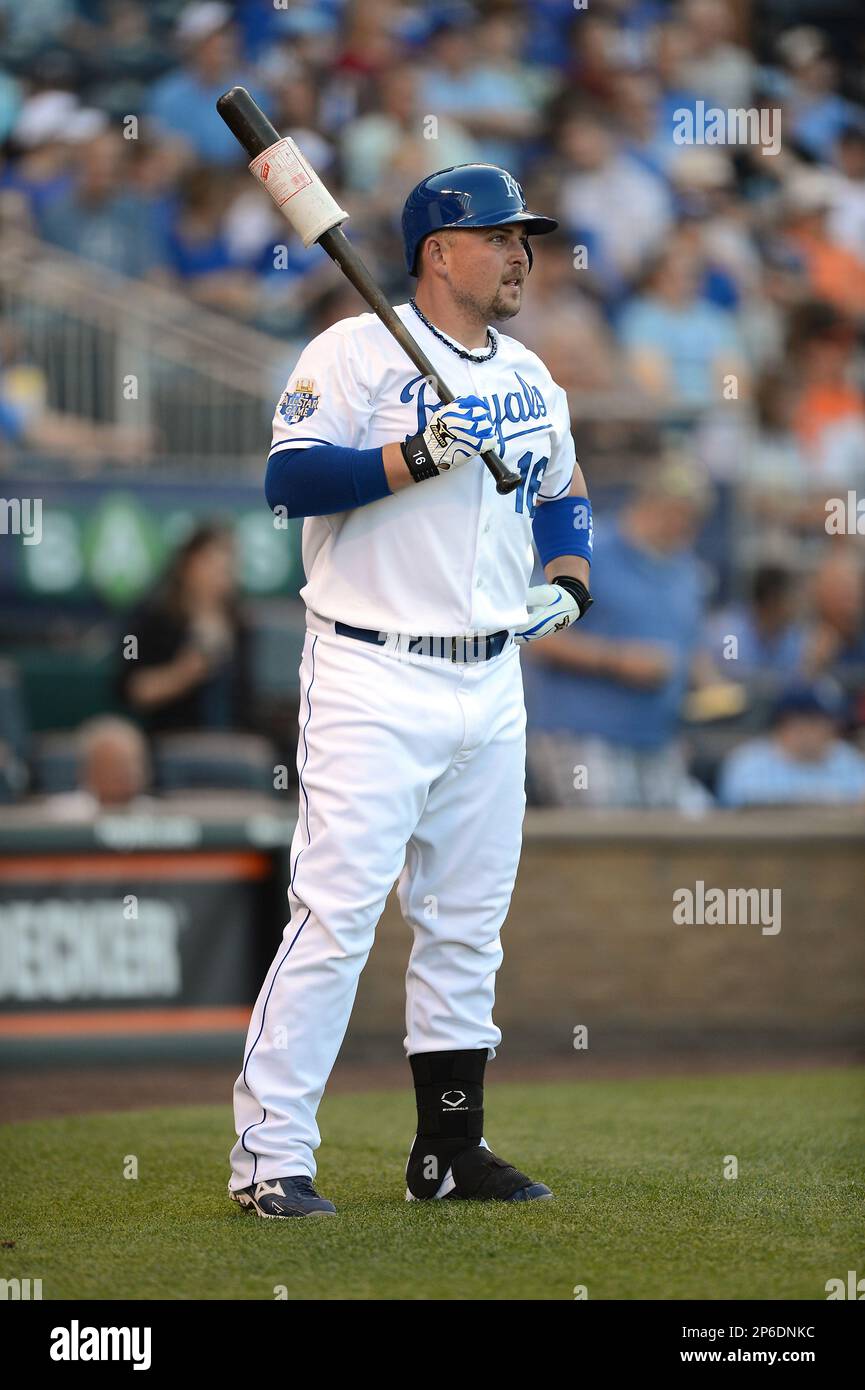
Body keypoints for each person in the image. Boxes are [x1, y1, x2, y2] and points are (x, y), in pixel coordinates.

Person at [229, 163, 594, 1218]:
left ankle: (447, 1152)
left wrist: (568, 578)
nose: (522, 252)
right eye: (500, 236)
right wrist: (410, 454)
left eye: (525, 236)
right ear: (439, 252)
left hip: (492, 672)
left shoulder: (529, 372)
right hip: (370, 665)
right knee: (335, 916)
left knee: (465, 925)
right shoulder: (350, 352)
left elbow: (562, 486)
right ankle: (271, 1155)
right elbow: (286, 480)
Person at [522, 459, 711, 811]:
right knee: (605, 846)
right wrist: (618, 660)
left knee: (683, 839)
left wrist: (706, 680)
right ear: (653, 503)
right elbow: (534, 630)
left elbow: (690, 644)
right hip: (582, 735)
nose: (687, 527)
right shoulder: (588, 549)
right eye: (681, 513)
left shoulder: (686, 569)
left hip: (659, 740)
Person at [117, 522, 252, 733]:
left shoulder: (240, 622)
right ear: (187, 565)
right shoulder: (154, 617)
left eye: (227, 566)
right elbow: (133, 690)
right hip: (170, 740)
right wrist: (183, 673)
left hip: (232, 744)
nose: (220, 575)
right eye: (210, 564)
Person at [718, 682, 865, 807]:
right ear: (784, 725)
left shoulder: (851, 761)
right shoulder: (747, 764)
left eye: (828, 723)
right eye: (811, 723)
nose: (825, 730)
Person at [45, 716, 156, 820]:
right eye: (117, 764)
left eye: (134, 763)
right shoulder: (62, 814)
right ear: (91, 770)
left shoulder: (154, 813)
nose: (129, 773)